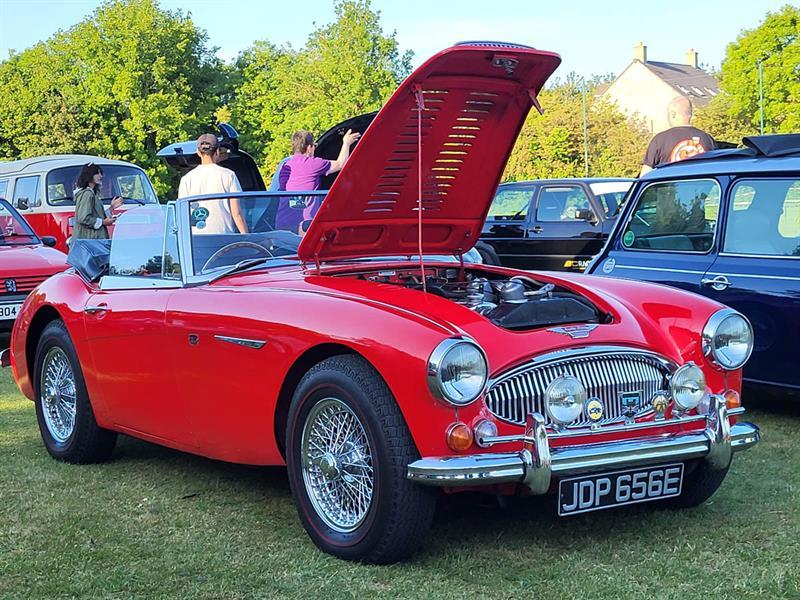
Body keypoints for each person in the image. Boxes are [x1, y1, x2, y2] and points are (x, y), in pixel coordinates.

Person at [274, 128, 361, 232]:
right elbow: (340, 164)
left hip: (282, 224)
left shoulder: (285, 166)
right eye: (314, 146)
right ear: (310, 148)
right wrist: (346, 143)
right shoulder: (313, 163)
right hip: (303, 227)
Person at [178, 133, 248, 234]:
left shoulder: (186, 179)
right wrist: (246, 236)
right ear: (218, 151)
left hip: (195, 239)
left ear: (198, 152)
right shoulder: (228, 175)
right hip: (224, 236)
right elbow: (237, 212)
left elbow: (183, 214)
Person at [640, 96, 717, 176]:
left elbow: (645, 175)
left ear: (673, 113)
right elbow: (717, 170)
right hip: (701, 187)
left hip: (670, 187)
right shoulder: (708, 139)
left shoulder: (660, 140)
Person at [73, 163, 123, 240]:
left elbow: (96, 215)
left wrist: (111, 208)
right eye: (97, 173)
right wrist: (103, 222)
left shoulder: (92, 194)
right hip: (90, 241)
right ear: (89, 175)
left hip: (92, 240)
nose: (100, 176)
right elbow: (83, 218)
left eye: (100, 173)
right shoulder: (87, 194)